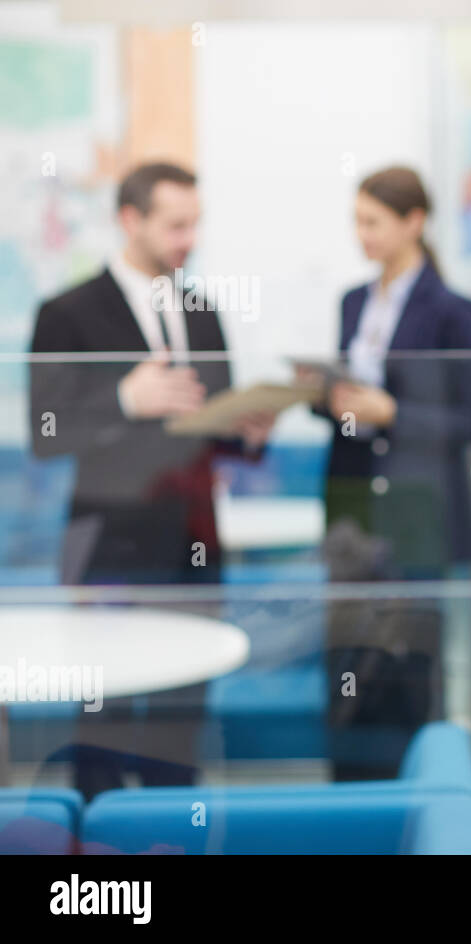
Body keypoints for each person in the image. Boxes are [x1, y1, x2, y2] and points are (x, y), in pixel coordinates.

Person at [27, 161, 274, 800]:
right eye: (175, 225)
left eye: (195, 224)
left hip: (191, 539)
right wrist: (123, 400)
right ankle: (100, 880)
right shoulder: (67, 312)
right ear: (130, 220)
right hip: (107, 538)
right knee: (103, 717)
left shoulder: (202, 311)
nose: (188, 239)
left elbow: (208, 421)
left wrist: (244, 433)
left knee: (181, 722)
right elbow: (44, 432)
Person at [310, 166, 471, 781]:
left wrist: (393, 412)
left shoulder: (454, 313)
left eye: (373, 222)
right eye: (356, 222)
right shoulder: (354, 302)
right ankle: (350, 806)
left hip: (417, 509)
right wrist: (318, 396)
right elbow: (348, 402)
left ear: (414, 222)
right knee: (347, 663)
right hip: (353, 501)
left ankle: (416, 805)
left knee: (411, 667)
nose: (363, 235)